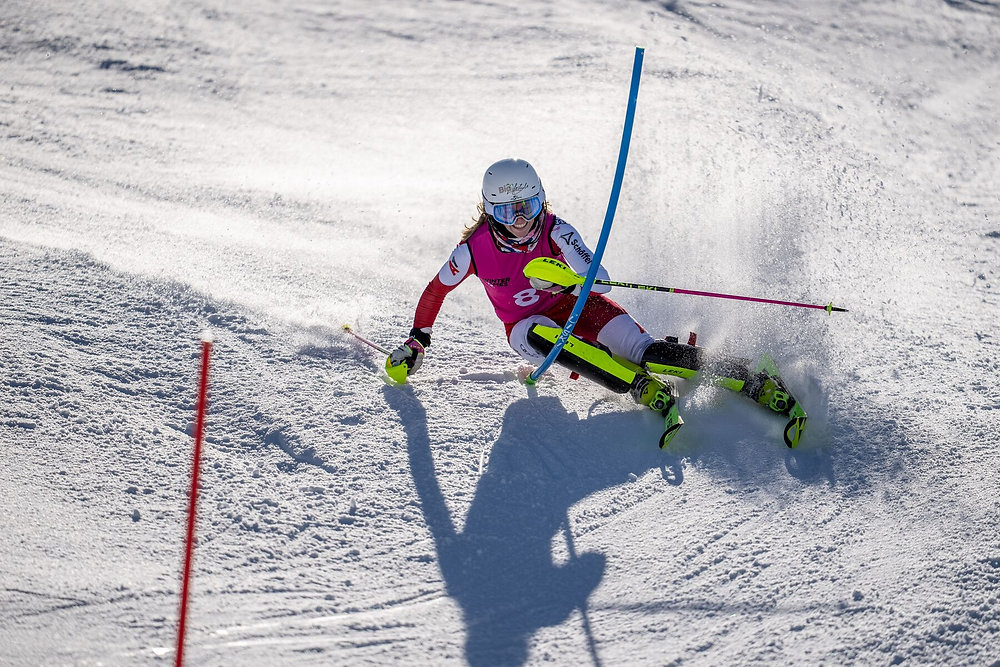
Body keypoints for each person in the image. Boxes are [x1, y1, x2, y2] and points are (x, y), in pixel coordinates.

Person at [387, 158, 801, 447]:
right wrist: (417, 340)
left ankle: (748, 375)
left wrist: (569, 281)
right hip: (525, 328)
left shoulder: (556, 230)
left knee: (648, 352)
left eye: (528, 207)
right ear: (490, 211)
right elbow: (435, 291)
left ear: (541, 201)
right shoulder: (473, 251)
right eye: (508, 211)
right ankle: (642, 389)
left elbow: (598, 278)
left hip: (579, 305)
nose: (520, 221)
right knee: (544, 335)